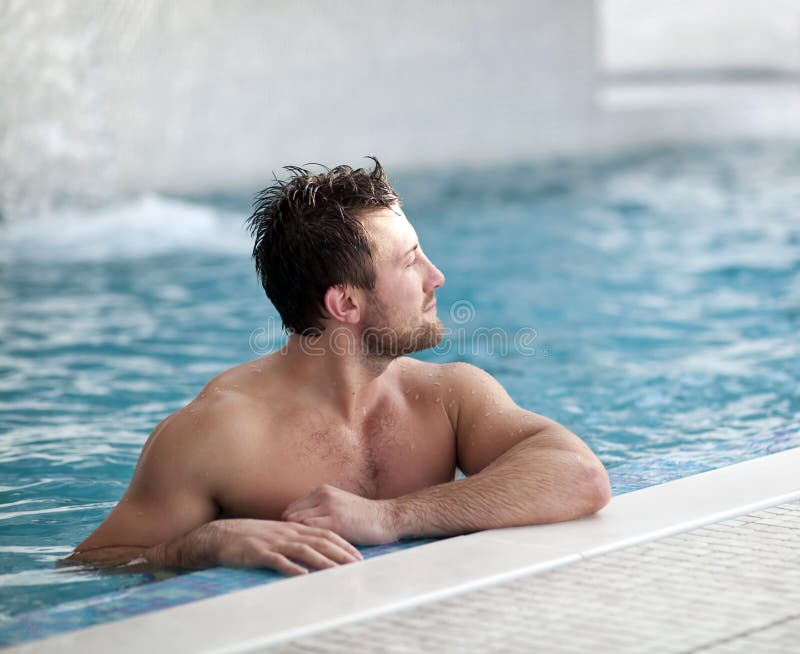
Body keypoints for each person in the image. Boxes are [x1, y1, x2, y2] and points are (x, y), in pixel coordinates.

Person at [63, 158, 611, 576]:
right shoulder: (219, 434)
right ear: (345, 304)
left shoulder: (448, 396)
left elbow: (580, 476)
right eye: (410, 261)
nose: (436, 276)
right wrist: (205, 542)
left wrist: (389, 518)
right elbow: (90, 566)